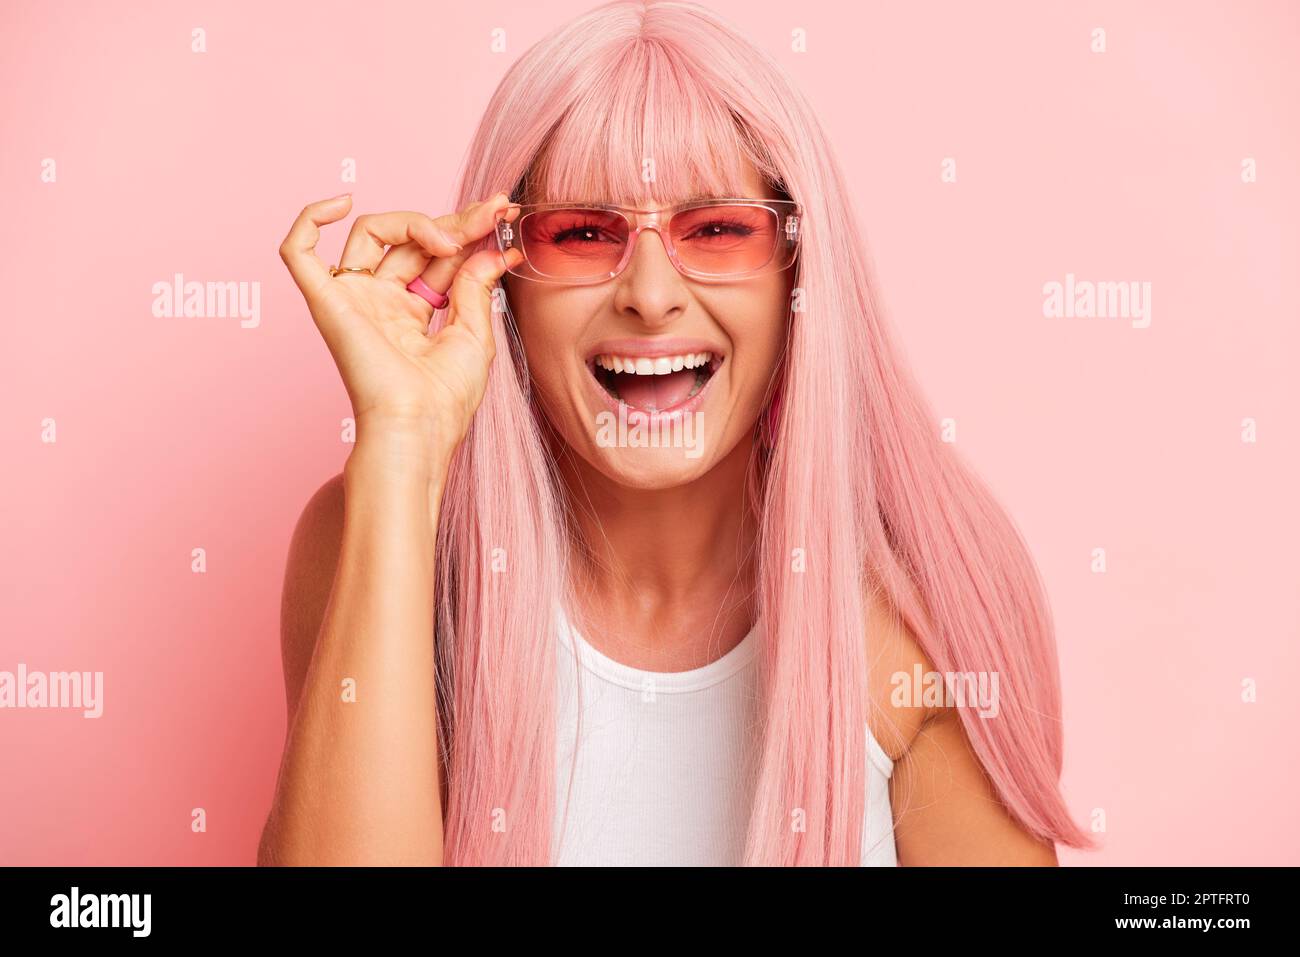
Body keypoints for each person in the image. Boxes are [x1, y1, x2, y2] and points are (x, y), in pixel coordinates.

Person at [259, 0, 1095, 866]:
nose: (650, 294)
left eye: (720, 230)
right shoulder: (375, 536)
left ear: (798, 273)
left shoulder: (926, 591)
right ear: (497, 275)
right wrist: (400, 445)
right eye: (583, 233)